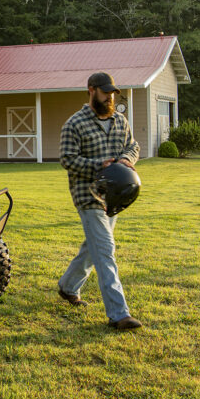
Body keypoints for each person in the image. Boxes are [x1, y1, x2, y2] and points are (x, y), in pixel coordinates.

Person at [57, 71, 142, 330]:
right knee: (105, 249)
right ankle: (119, 314)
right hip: (87, 196)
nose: (110, 97)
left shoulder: (120, 120)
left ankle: (68, 287)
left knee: (93, 247)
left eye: (112, 93)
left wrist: (128, 159)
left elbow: (133, 146)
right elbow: (67, 159)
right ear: (91, 90)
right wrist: (99, 166)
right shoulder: (75, 123)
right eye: (105, 92)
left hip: (114, 196)